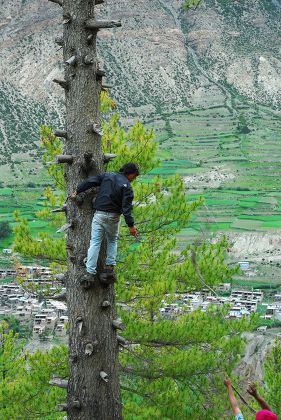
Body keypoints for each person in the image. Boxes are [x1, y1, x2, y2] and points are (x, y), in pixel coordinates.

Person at [72, 162, 139, 282]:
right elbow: (126, 209)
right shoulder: (127, 187)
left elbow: (90, 181)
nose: (134, 178)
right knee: (112, 240)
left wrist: (77, 190)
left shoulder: (107, 176)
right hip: (114, 216)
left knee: (95, 242)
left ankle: (90, 272)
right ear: (131, 174)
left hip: (99, 214)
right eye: (135, 176)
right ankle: (109, 267)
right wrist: (131, 226)